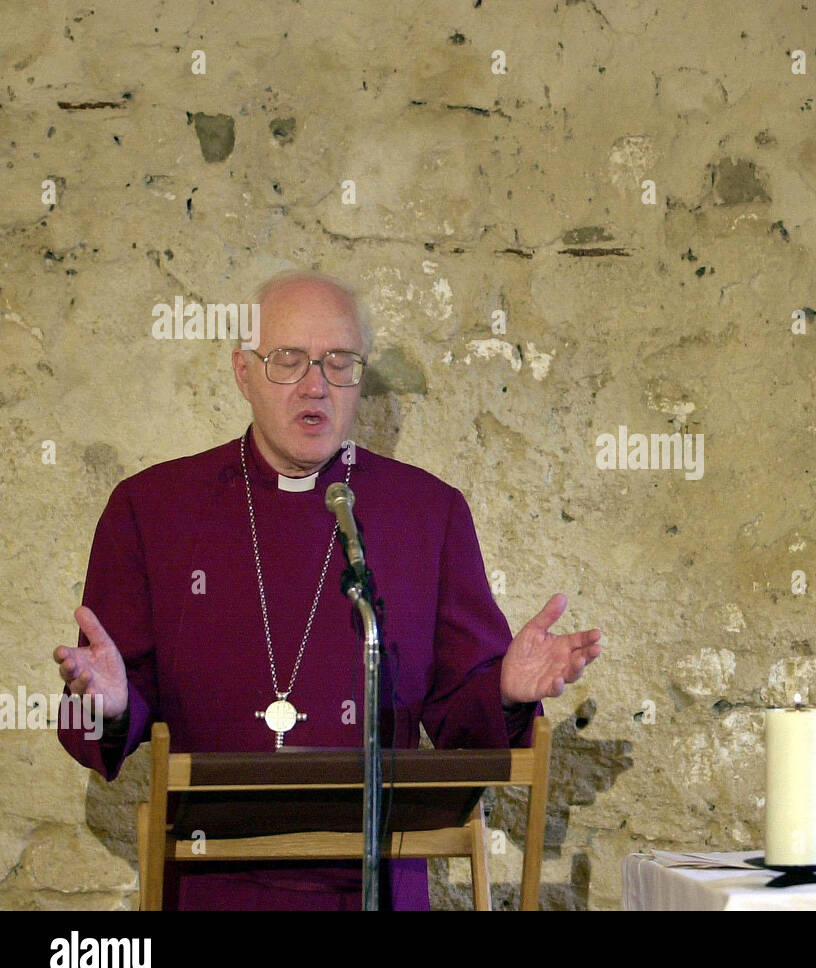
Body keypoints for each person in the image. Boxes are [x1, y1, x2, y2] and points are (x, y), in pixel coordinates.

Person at [53, 271, 601, 909]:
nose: (316, 384)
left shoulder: (426, 512)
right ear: (243, 372)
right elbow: (90, 717)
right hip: (214, 883)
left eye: (339, 363)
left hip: (378, 878)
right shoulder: (152, 509)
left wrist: (505, 690)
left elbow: (461, 714)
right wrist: (103, 705)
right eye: (288, 361)